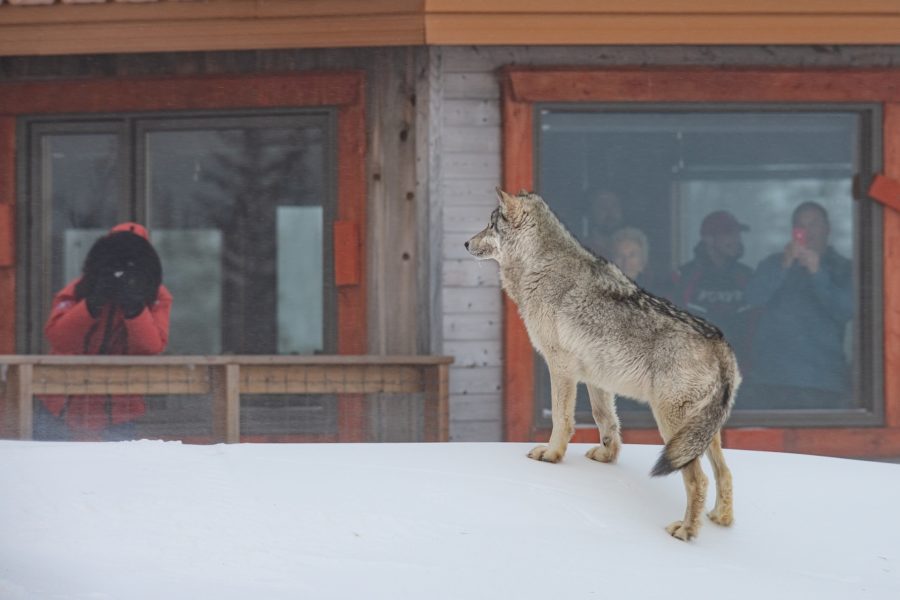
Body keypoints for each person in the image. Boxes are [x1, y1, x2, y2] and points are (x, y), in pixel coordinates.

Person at [37, 222, 173, 441]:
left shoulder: (156, 295)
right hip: (60, 401)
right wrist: (92, 303)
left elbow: (151, 347)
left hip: (119, 407)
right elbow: (60, 339)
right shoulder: (78, 290)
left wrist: (134, 307)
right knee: (48, 463)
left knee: (118, 469)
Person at [742, 202, 853, 409]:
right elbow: (752, 299)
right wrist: (783, 266)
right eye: (801, 225)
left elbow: (845, 310)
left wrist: (818, 273)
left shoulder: (843, 268)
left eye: (814, 224)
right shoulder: (773, 263)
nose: (808, 231)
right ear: (794, 231)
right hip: (770, 381)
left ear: (827, 229)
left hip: (822, 382)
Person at [670, 210, 754, 362]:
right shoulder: (685, 276)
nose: (736, 240)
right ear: (708, 239)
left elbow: (753, 325)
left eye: (737, 234)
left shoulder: (747, 276)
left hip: (742, 370)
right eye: (729, 234)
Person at [582, 189, 625, 257]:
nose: (610, 212)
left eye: (614, 206)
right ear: (591, 213)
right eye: (602, 206)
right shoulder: (582, 249)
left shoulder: (634, 249)